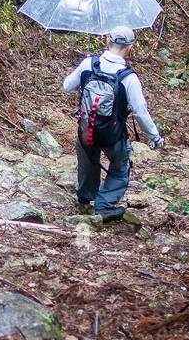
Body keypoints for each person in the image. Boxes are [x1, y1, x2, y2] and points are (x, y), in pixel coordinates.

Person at [62, 25, 164, 222]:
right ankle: (104, 206)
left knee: (88, 161)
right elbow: (140, 113)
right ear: (130, 47)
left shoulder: (88, 64)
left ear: (107, 41)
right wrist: (155, 137)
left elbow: (67, 86)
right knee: (119, 169)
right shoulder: (128, 77)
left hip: (86, 129)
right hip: (112, 134)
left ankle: (84, 198)